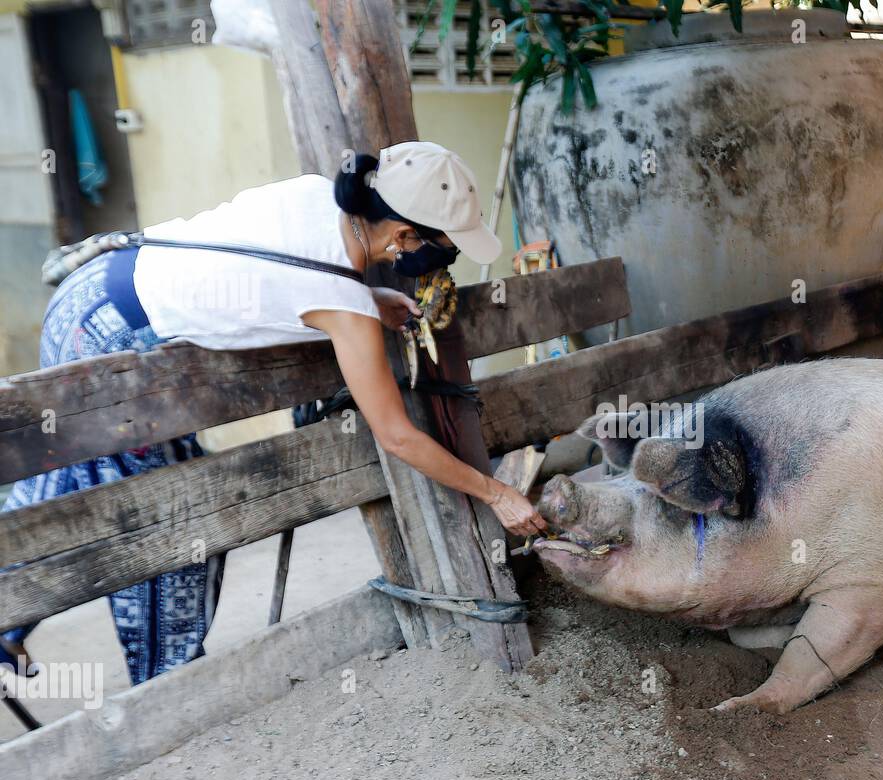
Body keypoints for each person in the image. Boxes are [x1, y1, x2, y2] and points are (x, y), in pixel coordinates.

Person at [1, 141, 546, 685]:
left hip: (94, 288)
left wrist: (371, 298)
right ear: (404, 237)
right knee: (159, 517)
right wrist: (495, 492)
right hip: (107, 338)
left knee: (78, 479)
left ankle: (14, 629)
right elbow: (398, 437)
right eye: (444, 249)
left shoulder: (318, 201)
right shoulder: (342, 301)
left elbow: (274, 271)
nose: (441, 262)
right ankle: (167, 686)